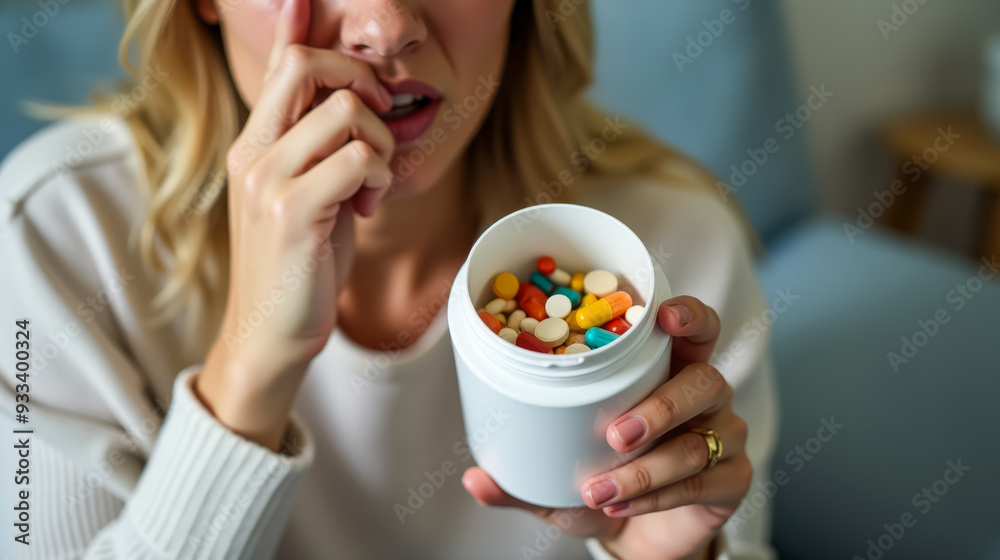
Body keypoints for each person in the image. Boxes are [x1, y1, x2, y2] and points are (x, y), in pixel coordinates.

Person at [0, 0, 779, 558]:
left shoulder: (671, 252)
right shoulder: (52, 236)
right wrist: (250, 363)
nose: (385, 25)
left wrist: (665, 558)